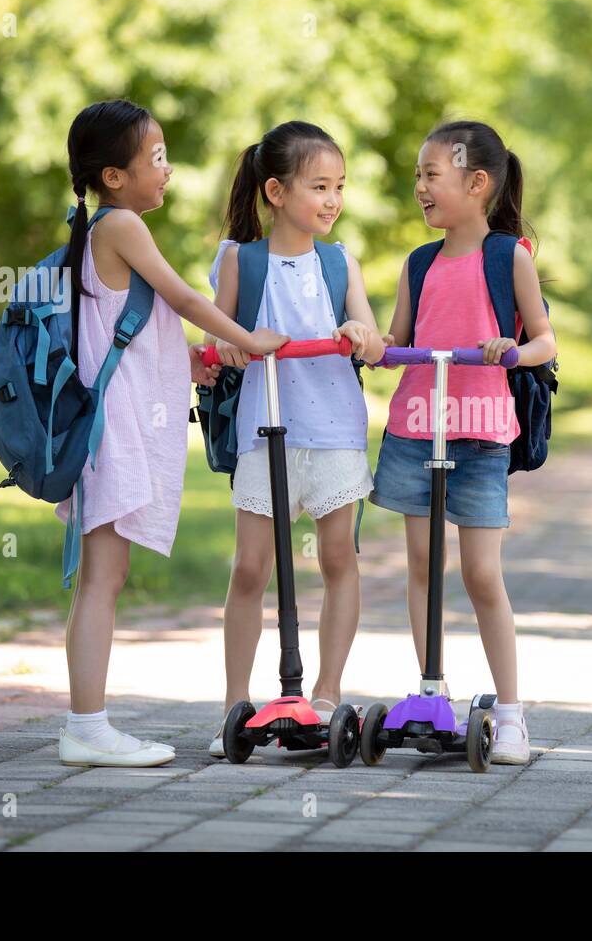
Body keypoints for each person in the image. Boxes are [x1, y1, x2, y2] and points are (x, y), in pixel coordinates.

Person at [54, 99, 287, 767]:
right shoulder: (120, 224)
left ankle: (88, 723)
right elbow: (184, 297)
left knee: (106, 572)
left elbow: (121, 331)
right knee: (101, 576)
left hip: (110, 427)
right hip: (108, 433)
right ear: (115, 175)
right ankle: (87, 727)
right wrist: (248, 339)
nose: (167, 168)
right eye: (154, 157)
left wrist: (192, 360)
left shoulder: (103, 229)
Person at [369, 120, 556, 765]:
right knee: (422, 568)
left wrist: (512, 350)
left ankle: (510, 714)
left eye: (431, 176)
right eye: (417, 176)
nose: (419, 187)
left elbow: (545, 341)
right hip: (416, 427)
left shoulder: (510, 257)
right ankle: (431, 690)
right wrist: (371, 348)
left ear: (477, 184)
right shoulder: (418, 263)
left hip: (479, 434)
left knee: (480, 574)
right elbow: (396, 341)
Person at [203, 121, 385, 757]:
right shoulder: (240, 261)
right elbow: (218, 336)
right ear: (276, 191)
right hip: (265, 432)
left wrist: (365, 335)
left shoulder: (339, 262)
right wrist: (226, 345)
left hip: (334, 432)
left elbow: (374, 333)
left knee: (339, 559)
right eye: (319, 186)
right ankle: (234, 701)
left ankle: (328, 692)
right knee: (251, 567)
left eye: (339, 187)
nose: (333, 199)